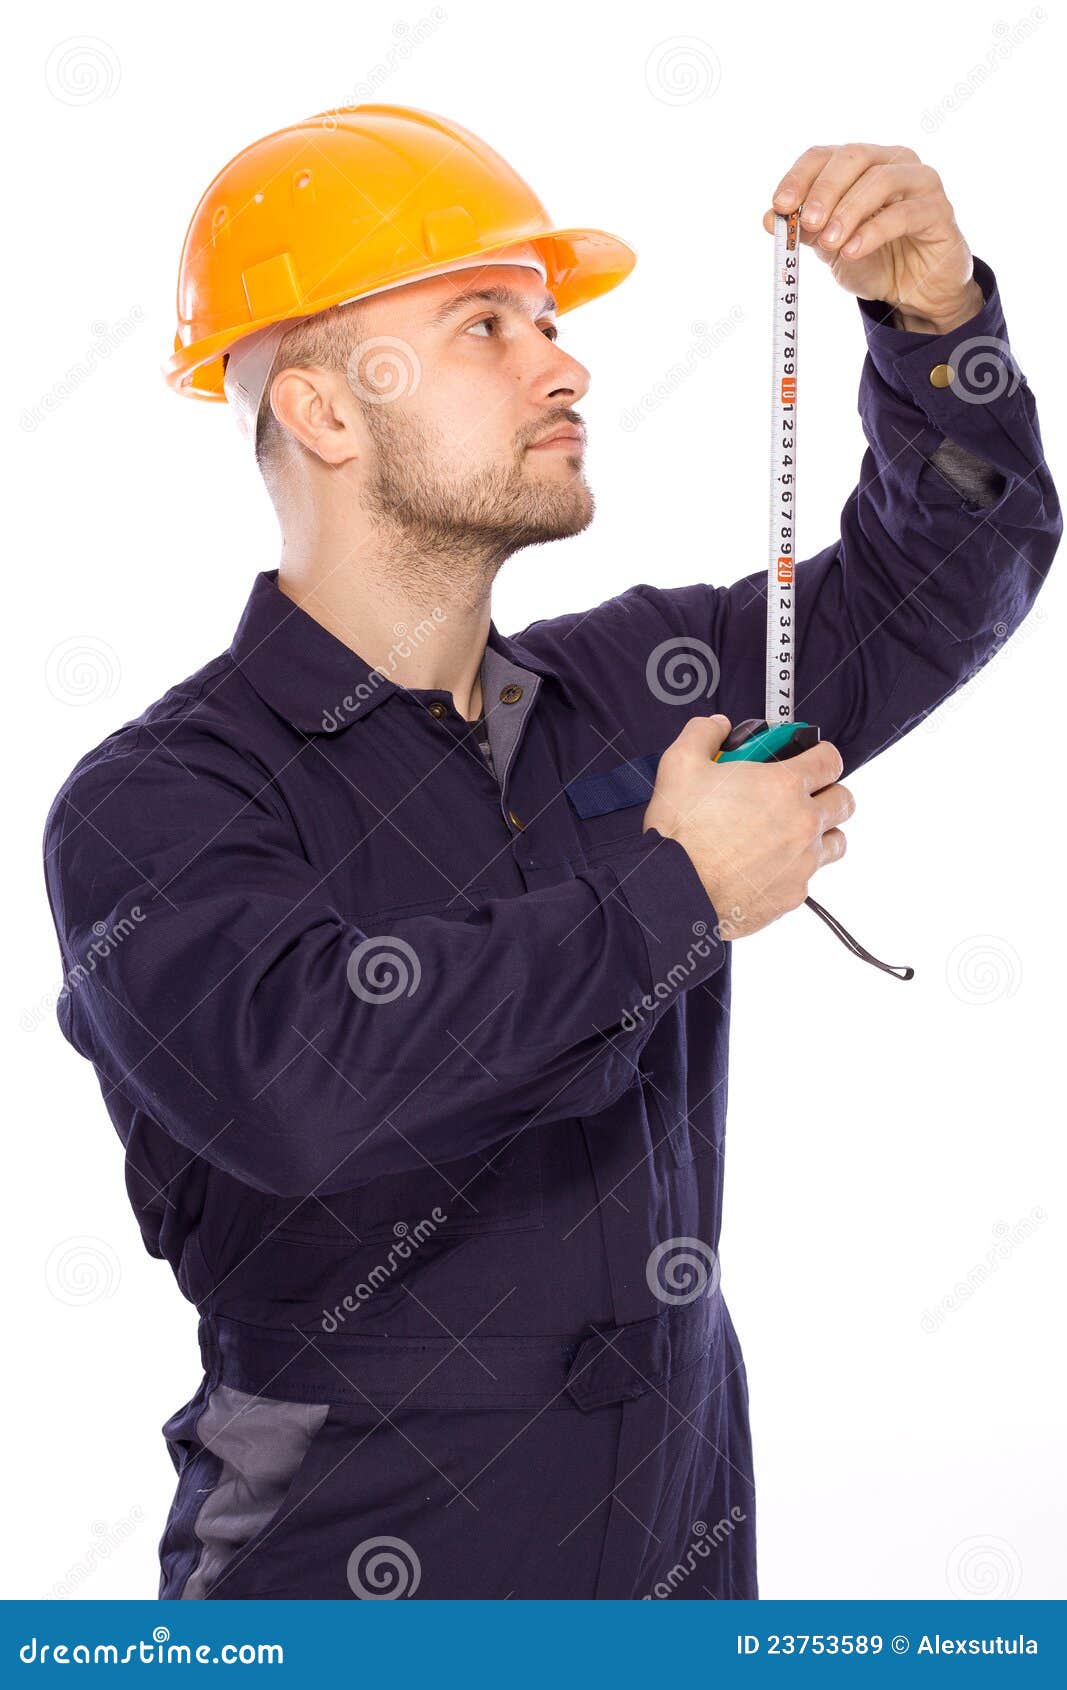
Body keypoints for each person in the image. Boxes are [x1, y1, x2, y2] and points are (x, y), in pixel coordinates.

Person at [42, 108, 1060, 1600]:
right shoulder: (157, 802)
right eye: (486, 325)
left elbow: (950, 575)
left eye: (548, 318)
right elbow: (306, 1088)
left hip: (672, 1579)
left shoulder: (637, 690)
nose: (565, 361)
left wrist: (935, 321)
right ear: (326, 413)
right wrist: (677, 894)